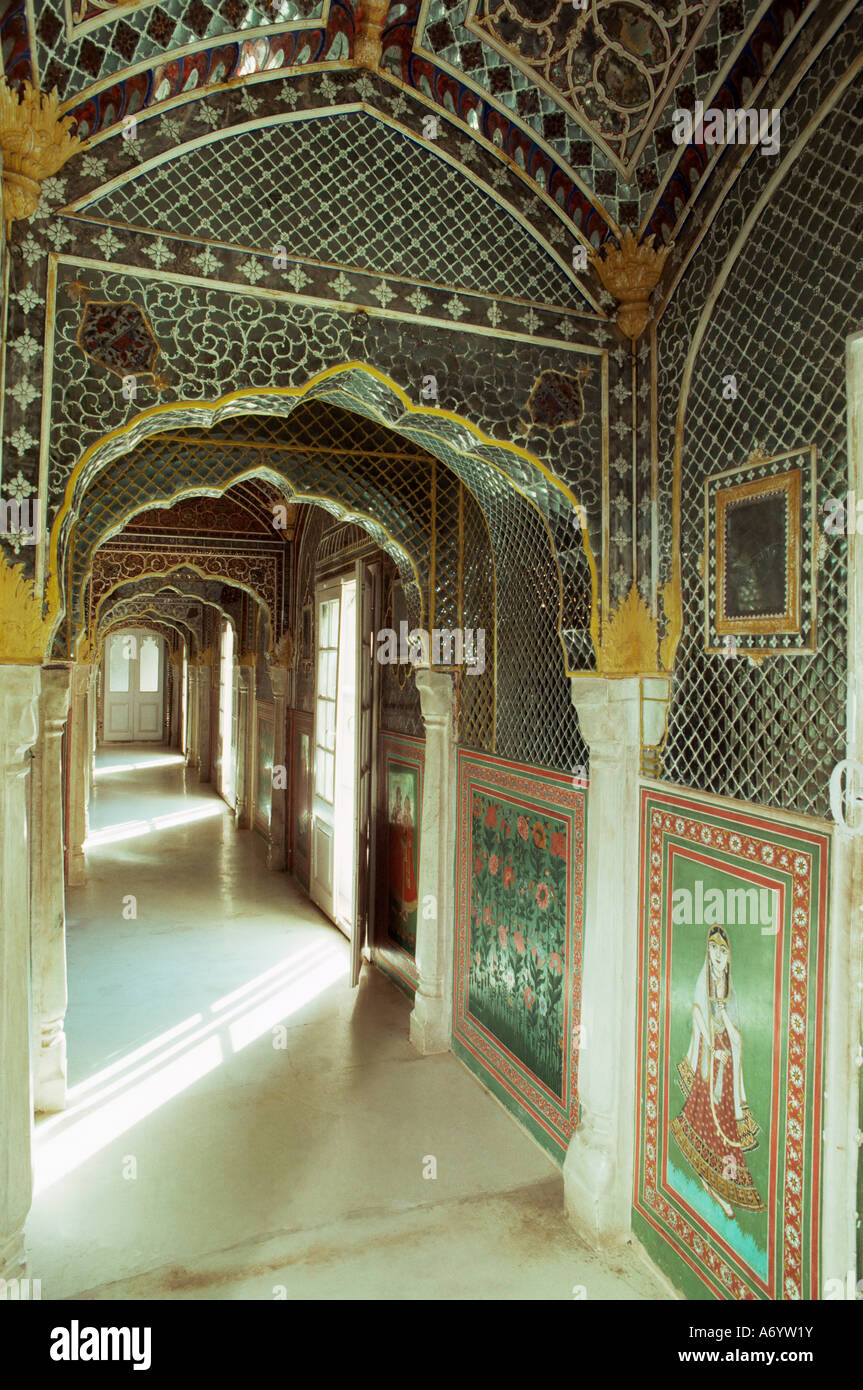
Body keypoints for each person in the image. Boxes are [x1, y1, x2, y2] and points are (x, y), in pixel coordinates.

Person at [670, 925, 765, 1218]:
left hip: (725, 1064)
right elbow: (698, 1014)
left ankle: (723, 1187)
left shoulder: (729, 989)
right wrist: (712, 1049)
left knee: (726, 1130)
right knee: (704, 1126)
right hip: (709, 1064)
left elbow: (736, 1034)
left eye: (723, 951)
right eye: (713, 949)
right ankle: (711, 1184)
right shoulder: (704, 981)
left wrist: (723, 1013)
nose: (717, 956)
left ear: (729, 956)